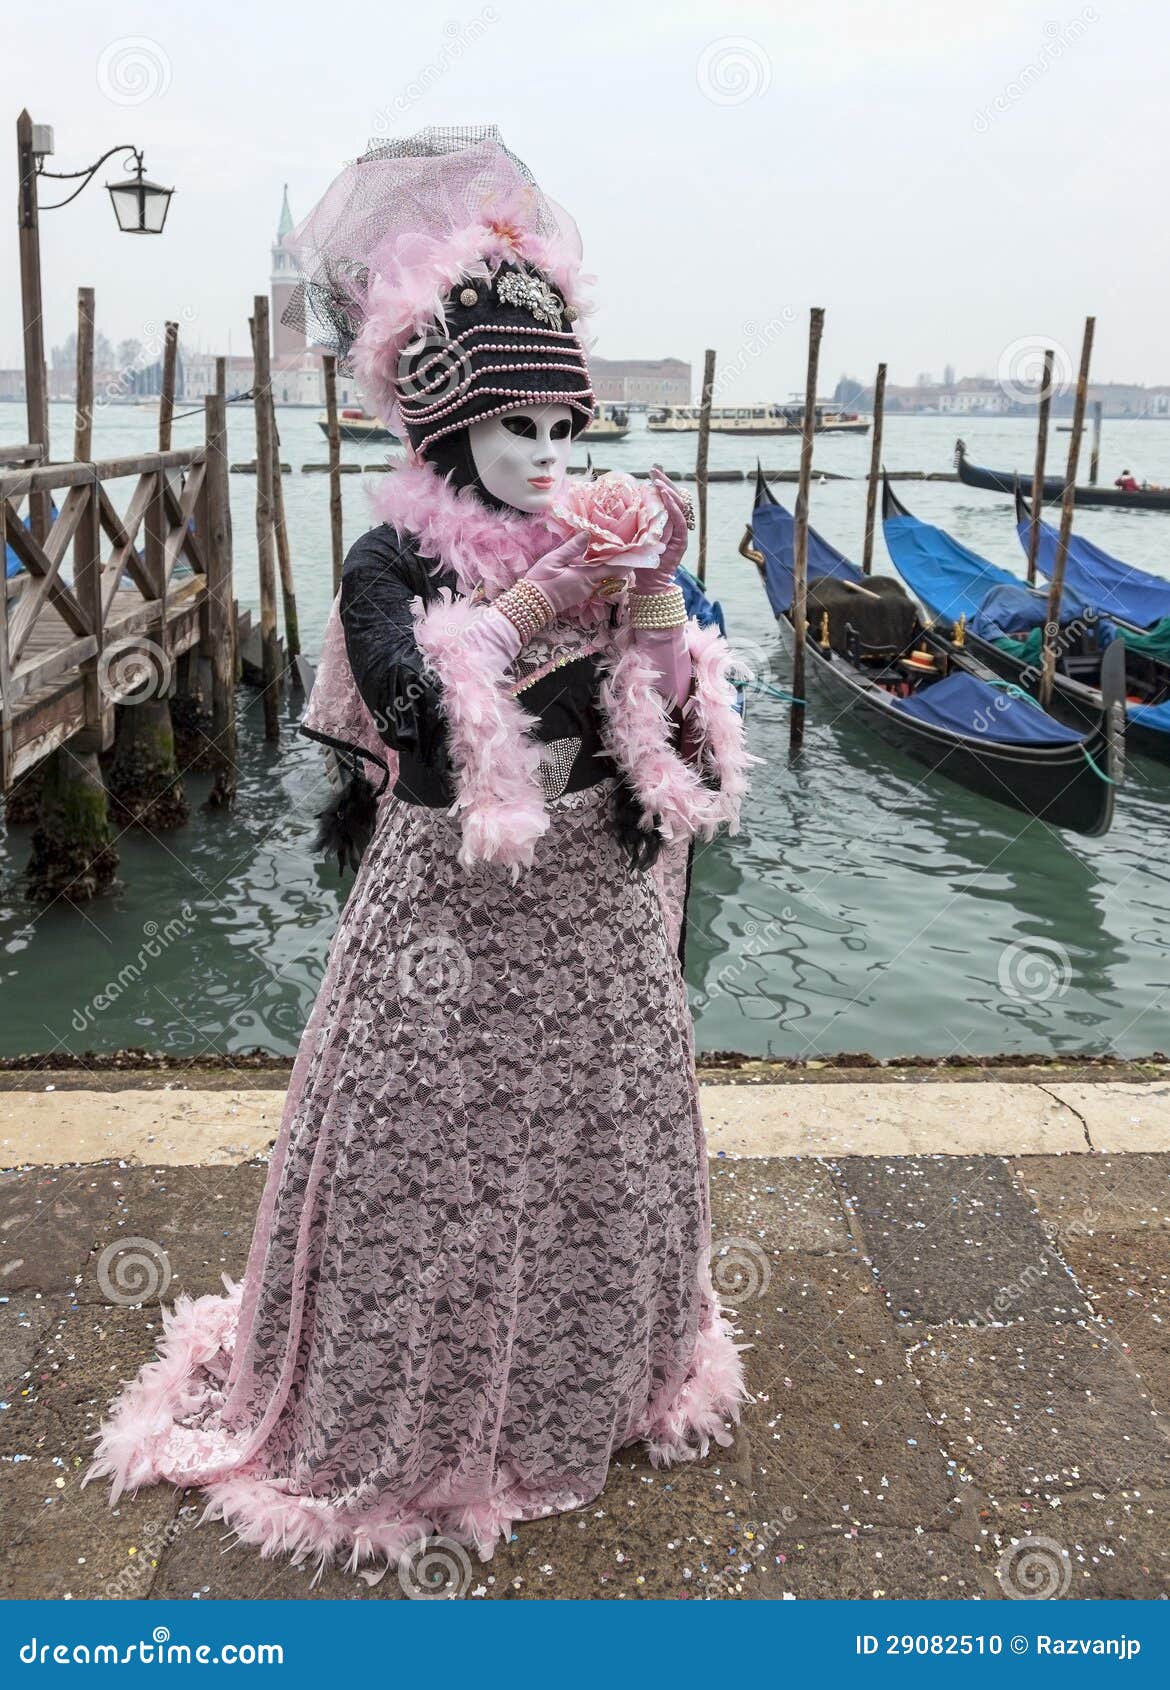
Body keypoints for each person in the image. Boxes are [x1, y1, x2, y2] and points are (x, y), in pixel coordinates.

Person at [83, 127, 757, 1586]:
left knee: (603, 1152)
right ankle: (410, 1419)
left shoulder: (598, 539)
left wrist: (654, 610)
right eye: (522, 428)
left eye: (567, 427)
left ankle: (583, 1392)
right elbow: (423, 734)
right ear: (450, 428)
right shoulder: (390, 563)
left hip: (595, 923)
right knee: (420, 1157)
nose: (551, 456)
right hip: (445, 924)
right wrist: (537, 610)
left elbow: (685, 752)